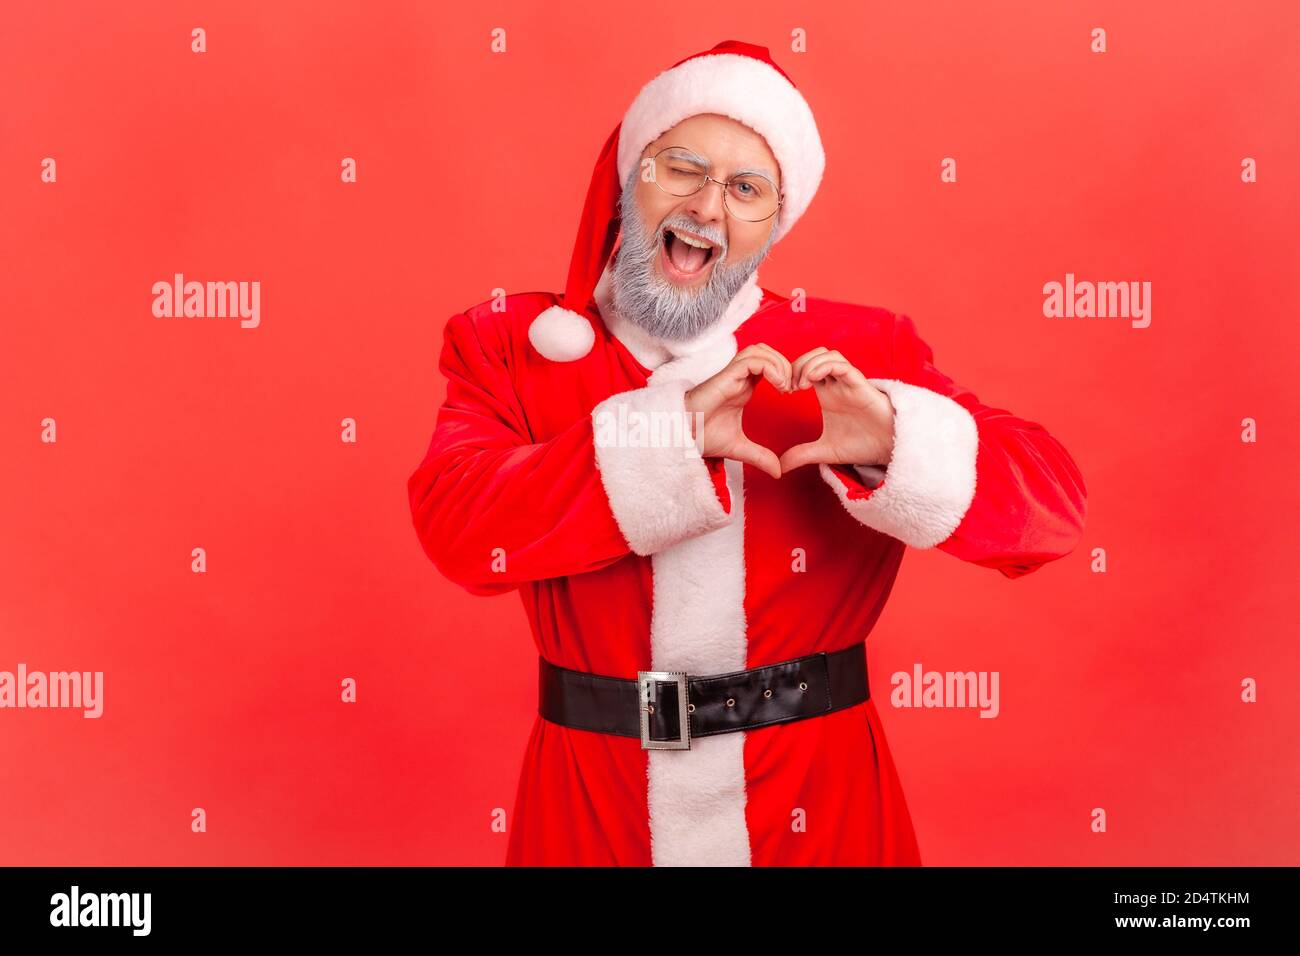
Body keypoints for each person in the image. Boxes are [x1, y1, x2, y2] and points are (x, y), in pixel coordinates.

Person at [407, 40, 1088, 866]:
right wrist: (669, 435)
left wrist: (891, 439)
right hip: (593, 801)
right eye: (682, 167)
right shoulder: (512, 344)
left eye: (746, 189)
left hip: (818, 800)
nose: (706, 207)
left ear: (775, 223)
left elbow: (1050, 513)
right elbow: (459, 527)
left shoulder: (860, 352)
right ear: (631, 179)